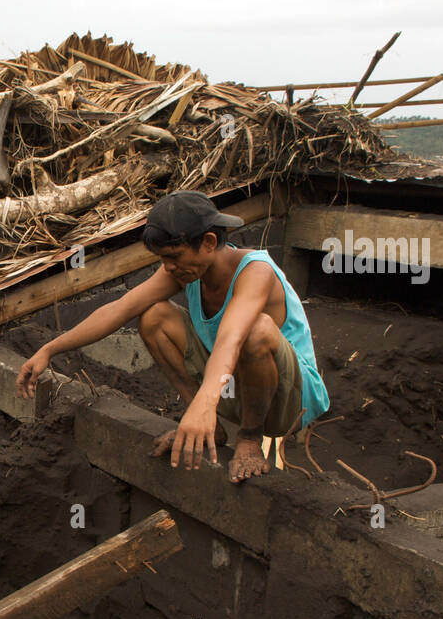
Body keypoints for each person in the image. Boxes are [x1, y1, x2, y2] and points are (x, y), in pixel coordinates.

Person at [16, 190, 329, 482]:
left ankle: (249, 437)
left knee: (256, 330)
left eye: (174, 256)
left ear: (208, 242)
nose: (168, 267)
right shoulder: (186, 270)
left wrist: (205, 404)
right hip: (234, 387)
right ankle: (212, 430)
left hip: (291, 400)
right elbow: (120, 309)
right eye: (162, 258)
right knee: (153, 316)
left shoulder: (256, 271)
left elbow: (231, 339)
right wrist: (49, 349)